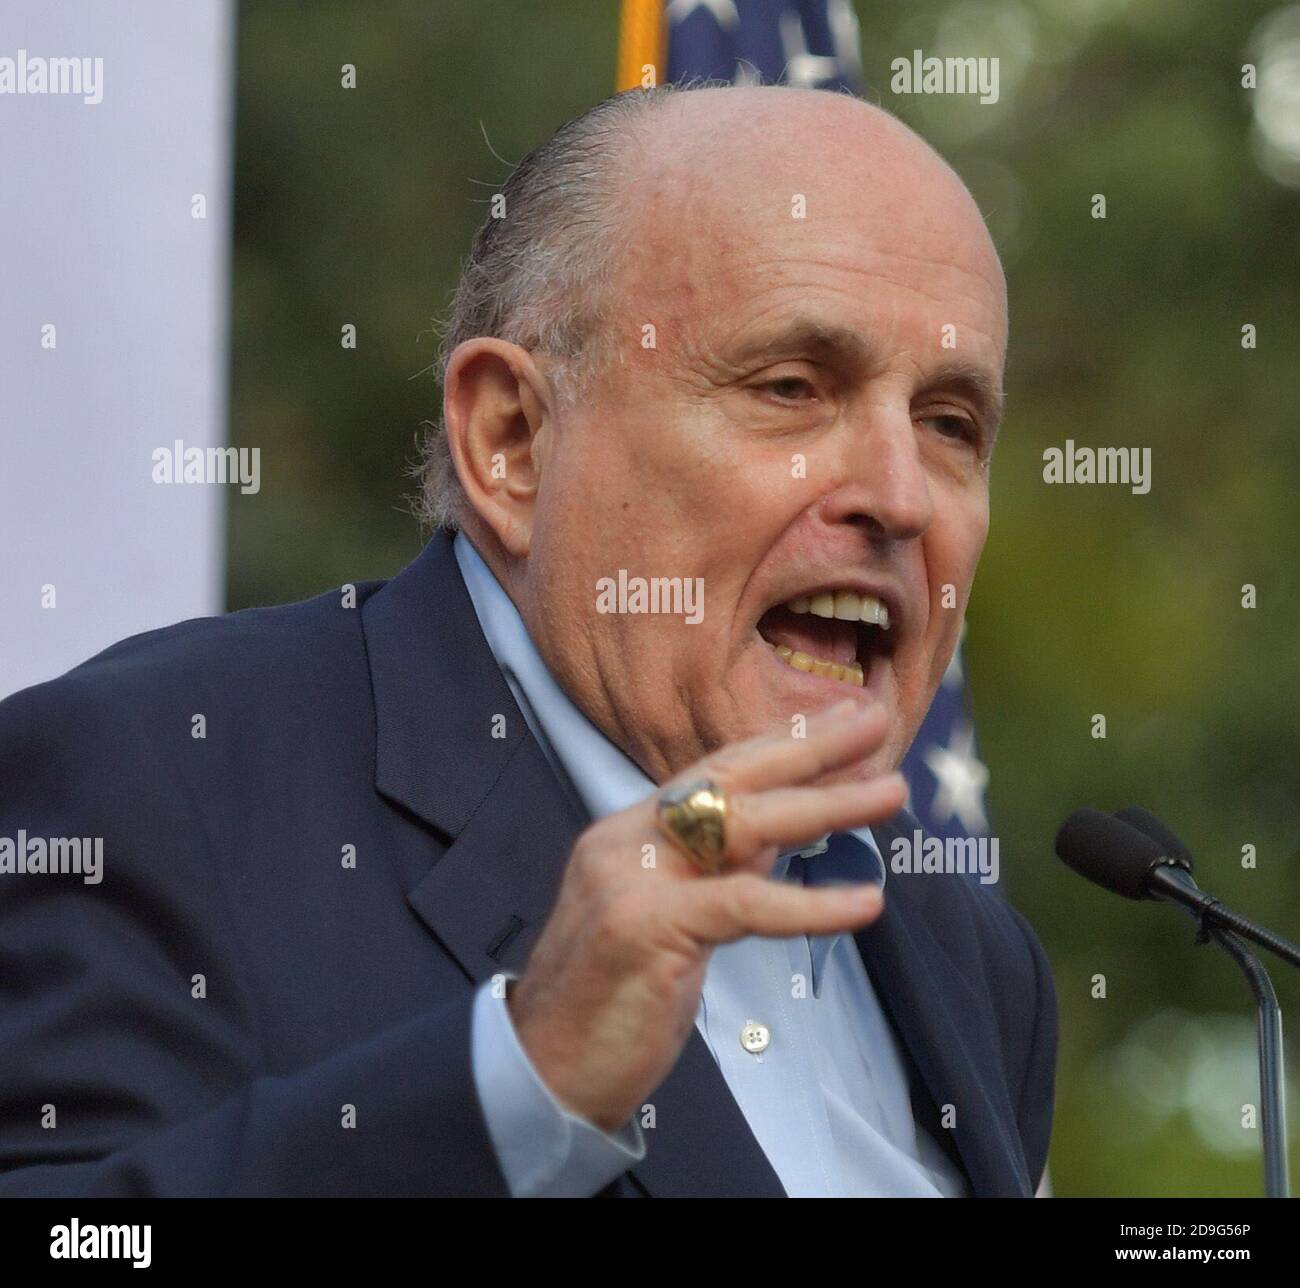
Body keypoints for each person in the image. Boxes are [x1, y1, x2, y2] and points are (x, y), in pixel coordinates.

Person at [0, 83, 1055, 1197]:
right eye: (790, 388)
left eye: (948, 424)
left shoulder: (974, 960)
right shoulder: (161, 782)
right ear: (511, 441)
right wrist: (522, 1080)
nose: (899, 496)